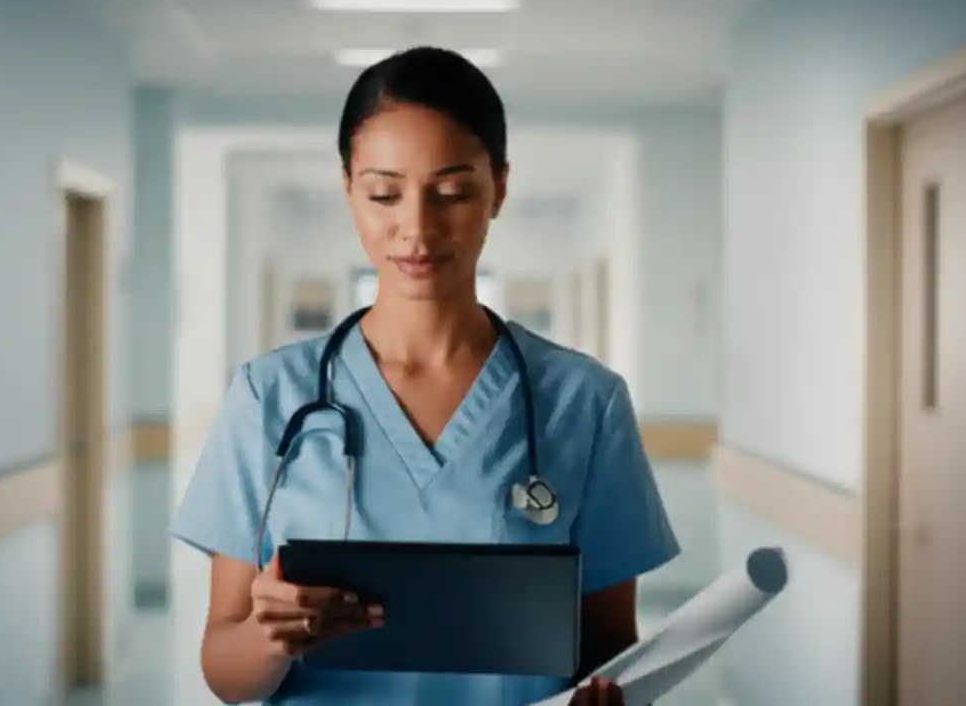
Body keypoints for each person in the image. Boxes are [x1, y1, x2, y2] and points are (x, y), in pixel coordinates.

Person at [168, 46, 679, 705]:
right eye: (384, 193)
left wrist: (608, 694)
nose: (416, 228)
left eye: (452, 191)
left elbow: (610, 646)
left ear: (499, 186)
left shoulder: (585, 403)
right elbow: (223, 671)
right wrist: (271, 638)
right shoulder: (269, 397)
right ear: (348, 188)